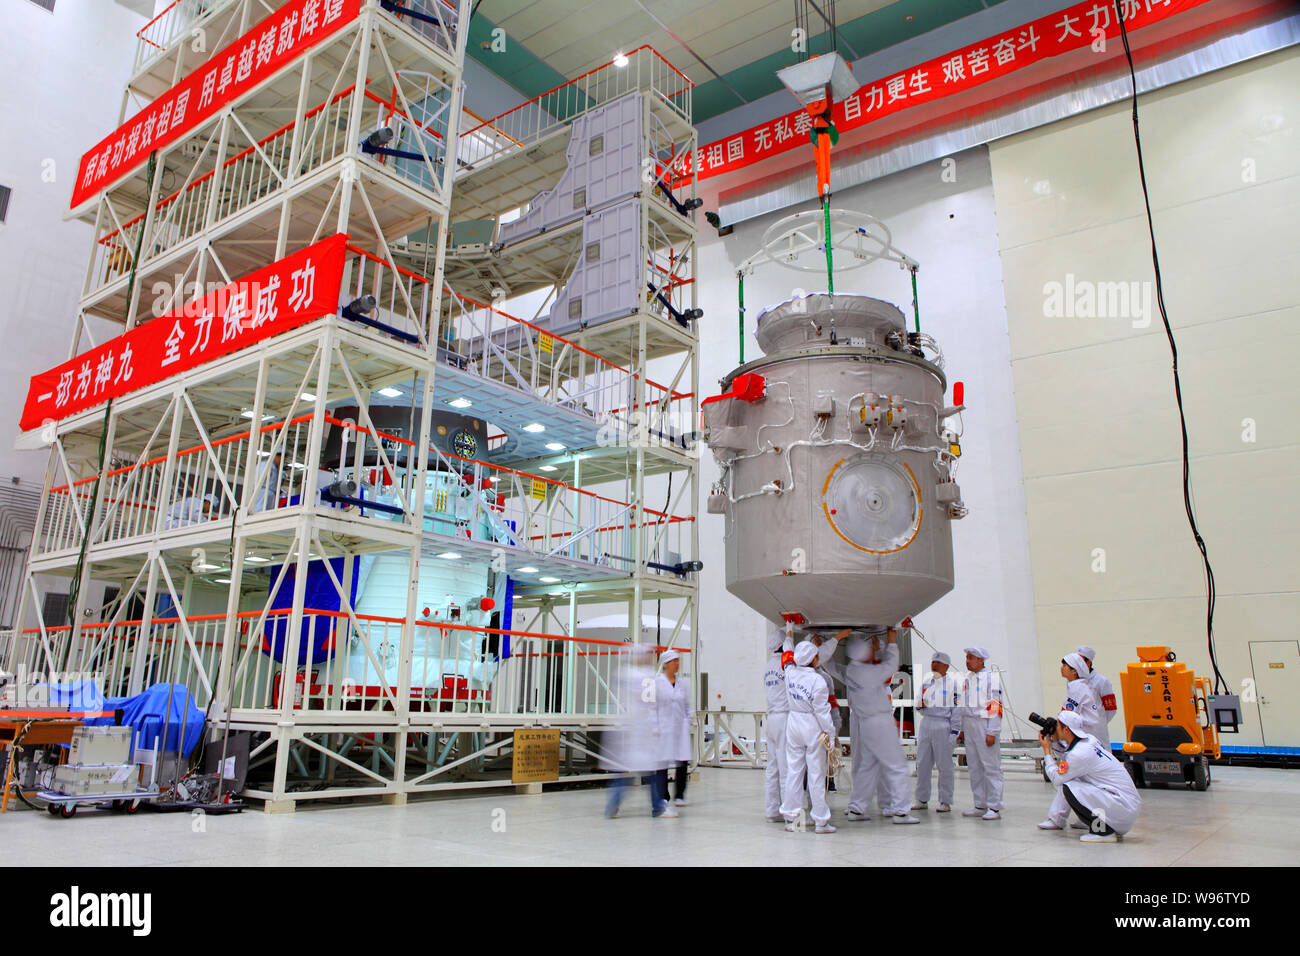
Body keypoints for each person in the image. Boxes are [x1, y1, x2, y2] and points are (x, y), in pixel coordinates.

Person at [821, 626, 919, 825]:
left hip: (865, 725)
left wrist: (825, 644)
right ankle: (901, 811)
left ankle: (857, 808)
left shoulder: (851, 671)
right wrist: (891, 642)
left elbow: (830, 666)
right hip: (880, 722)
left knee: (867, 767)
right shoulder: (870, 672)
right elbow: (891, 665)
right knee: (897, 766)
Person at [1037, 709, 1141, 842]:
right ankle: (1059, 820)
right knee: (1071, 780)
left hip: (1121, 807)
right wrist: (1055, 742)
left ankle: (1103, 832)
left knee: (1068, 786)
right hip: (1125, 804)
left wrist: (1047, 751)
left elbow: (1057, 778)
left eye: (1057, 725)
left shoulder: (1079, 754)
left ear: (1066, 729)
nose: (1055, 728)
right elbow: (1068, 757)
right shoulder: (1090, 740)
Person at [1041, 652, 1106, 830]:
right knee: (1080, 781)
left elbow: (1071, 715)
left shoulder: (1077, 688)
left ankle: (1057, 819)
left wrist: (1059, 729)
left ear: (1074, 671)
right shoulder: (1077, 686)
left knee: (1067, 779)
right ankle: (1082, 818)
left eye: (1065, 666)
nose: (1062, 668)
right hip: (1083, 739)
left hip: (1081, 741)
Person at [602, 645, 668, 818]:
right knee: (651, 773)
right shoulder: (646, 677)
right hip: (641, 731)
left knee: (625, 773)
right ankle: (658, 807)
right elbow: (652, 703)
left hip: (627, 730)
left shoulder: (623, 673)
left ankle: (612, 806)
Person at [780, 640, 837, 834]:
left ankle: (792, 819)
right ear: (813, 659)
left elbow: (787, 654)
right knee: (816, 774)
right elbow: (822, 712)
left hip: (793, 723)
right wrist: (830, 734)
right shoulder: (818, 681)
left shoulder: (789, 673)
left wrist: (789, 633)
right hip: (812, 726)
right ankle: (821, 821)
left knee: (794, 771)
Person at [957, 646, 1004, 820]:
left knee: (991, 767)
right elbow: (964, 705)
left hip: (984, 724)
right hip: (969, 725)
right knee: (974, 766)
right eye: (967, 657)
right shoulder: (968, 678)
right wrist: (962, 729)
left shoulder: (991, 679)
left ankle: (995, 806)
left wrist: (992, 730)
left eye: (971, 658)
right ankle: (980, 803)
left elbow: (995, 705)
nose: (967, 661)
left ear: (980, 660)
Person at [913, 651, 961, 812]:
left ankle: (945, 801)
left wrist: (955, 731)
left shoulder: (952, 685)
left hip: (943, 724)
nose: (934, 665)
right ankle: (921, 798)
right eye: (933, 662)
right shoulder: (927, 682)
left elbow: (956, 709)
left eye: (938, 663)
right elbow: (918, 703)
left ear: (946, 666)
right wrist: (920, 704)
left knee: (944, 764)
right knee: (922, 763)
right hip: (926, 723)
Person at [763, 627, 794, 822]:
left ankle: (772, 810)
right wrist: (791, 633)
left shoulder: (767, 667)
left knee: (772, 767)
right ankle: (788, 811)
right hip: (784, 718)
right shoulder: (785, 665)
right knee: (786, 768)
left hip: (771, 719)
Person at [655, 649, 692, 807]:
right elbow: (652, 706)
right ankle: (663, 794)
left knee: (682, 761)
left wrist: (688, 721)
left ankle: (680, 794)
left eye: (678, 661)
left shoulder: (683, 684)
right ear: (666, 664)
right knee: (662, 762)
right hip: (664, 728)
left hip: (680, 728)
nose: (677, 664)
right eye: (674, 661)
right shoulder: (658, 683)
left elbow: (688, 706)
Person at [1076, 645, 1118, 749]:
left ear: (1088, 662)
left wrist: (1099, 722)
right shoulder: (1073, 682)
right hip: (1079, 729)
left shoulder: (1102, 681)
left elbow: (1111, 709)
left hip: (1097, 731)